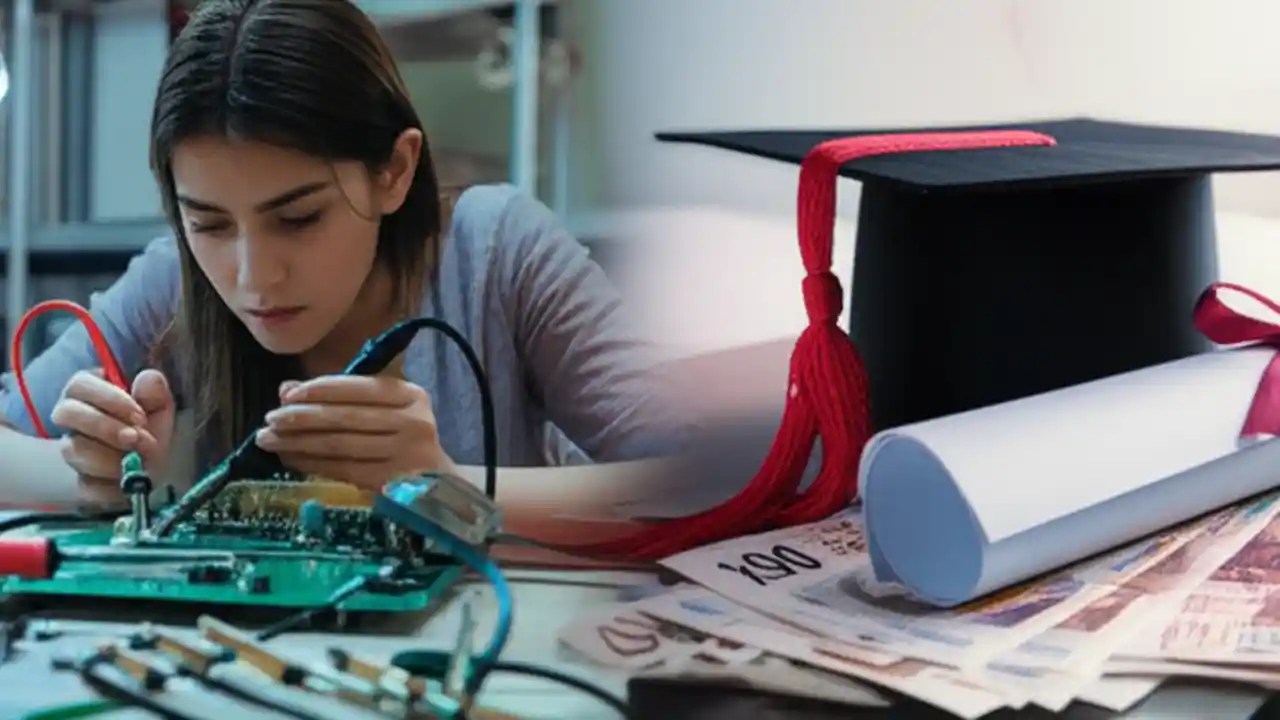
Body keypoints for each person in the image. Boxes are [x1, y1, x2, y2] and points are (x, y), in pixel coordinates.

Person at [0, 0, 688, 513]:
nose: (252, 275)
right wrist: (112, 474)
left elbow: (703, 478)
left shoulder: (499, 253)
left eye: (298, 218)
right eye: (207, 222)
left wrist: (444, 484)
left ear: (394, 169)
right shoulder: (171, 280)